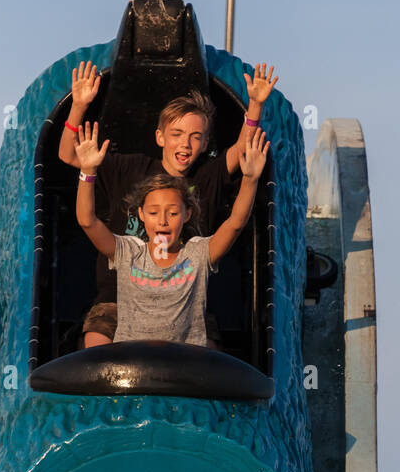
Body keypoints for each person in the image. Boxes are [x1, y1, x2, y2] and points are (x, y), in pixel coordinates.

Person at [57, 61, 279, 344]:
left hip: (183, 301)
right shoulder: (131, 168)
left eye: (195, 137)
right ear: (160, 137)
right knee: (97, 343)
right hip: (119, 298)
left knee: (207, 352)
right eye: (177, 135)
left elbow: (243, 154)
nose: (185, 145)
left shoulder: (208, 176)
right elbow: (69, 157)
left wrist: (255, 105)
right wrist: (78, 106)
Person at [73, 121, 269, 348]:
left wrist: (250, 179)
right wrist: (87, 172)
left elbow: (235, 223)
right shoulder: (128, 251)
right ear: (141, 215)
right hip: (133, 363)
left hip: (182, 367)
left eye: (173, 213)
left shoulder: (197, 253)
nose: (163, 220)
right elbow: (87, 221)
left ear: (187, 215)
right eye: (154, 213)